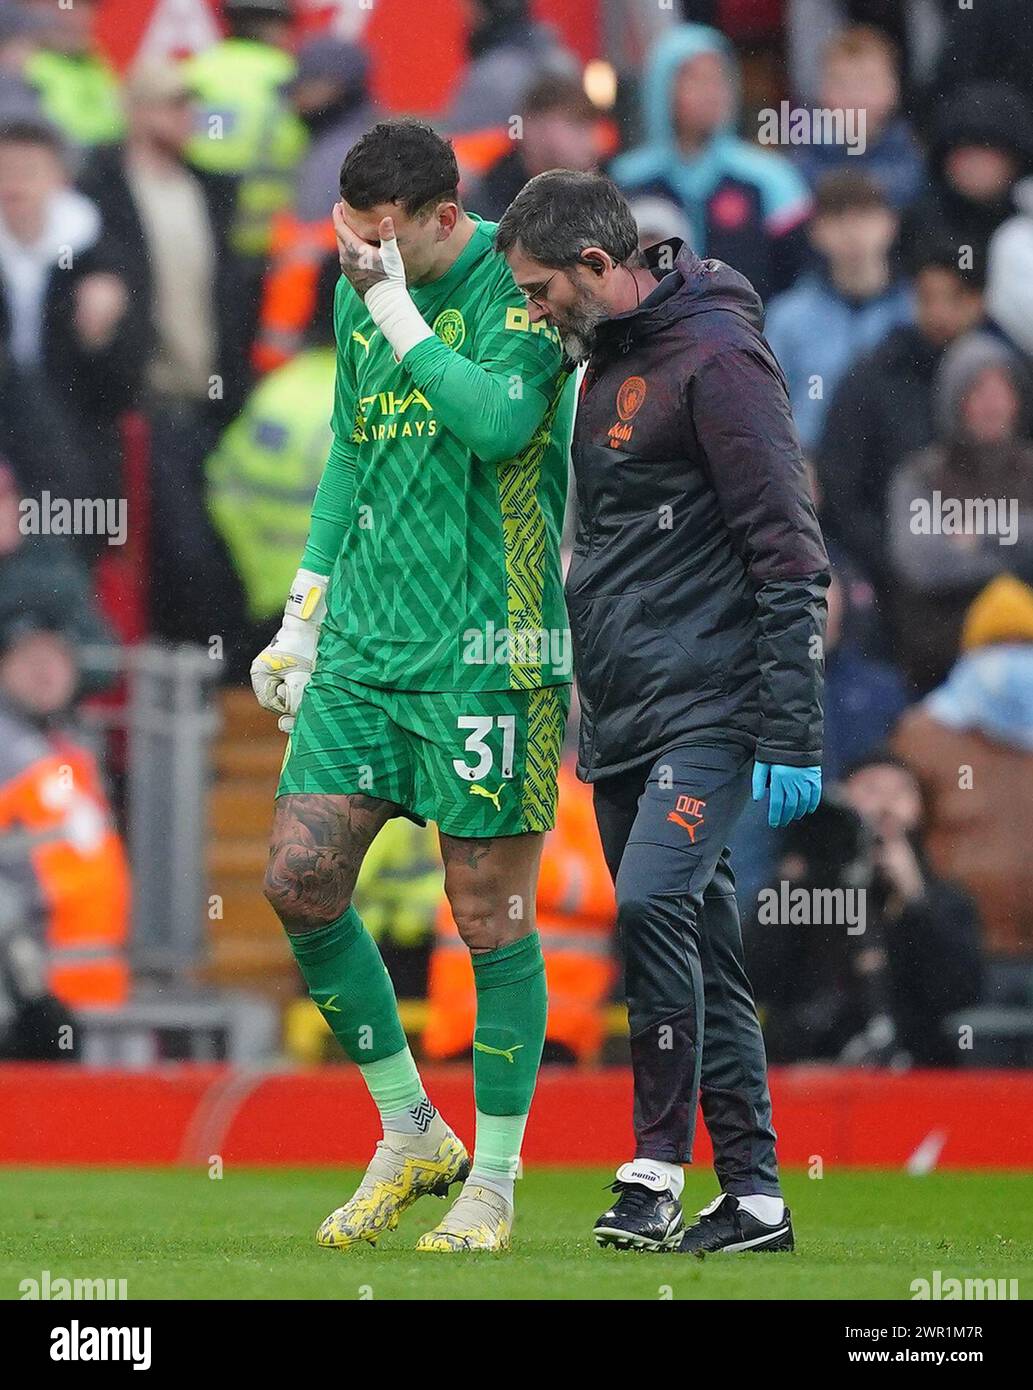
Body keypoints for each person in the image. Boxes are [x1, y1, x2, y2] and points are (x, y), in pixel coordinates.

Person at [252, 121, 574, 1253]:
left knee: (487, 912)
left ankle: (491, 1180)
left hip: (491, 650)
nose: (361, 264)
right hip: (368, 651)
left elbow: (496, 423)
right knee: (297, 880)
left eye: (383, 247)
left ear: (446, 217)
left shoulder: (528, 278)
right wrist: (304, 608)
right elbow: (352, 439)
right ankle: (408, 1127)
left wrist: (393, 306)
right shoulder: (359, 282)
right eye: (350, 244)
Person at [496, 170, 829, 1256]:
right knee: (702, 947)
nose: (535, 312)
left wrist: (790, 725)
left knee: (646, 905)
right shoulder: (604, 361)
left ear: (598, 268)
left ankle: (650, 1169)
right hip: (629, 709)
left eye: (543, 290)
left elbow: (787, 546)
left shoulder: (718, 361)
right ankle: (756, 1197)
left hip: (715, 703)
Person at [746, 760, 982, 1068]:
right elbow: (757, 976)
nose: (886, 805)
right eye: (870, 789)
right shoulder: (806, 889)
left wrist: (914, 898)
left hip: (915, 1067)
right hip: (810, 1066)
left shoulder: (944, 899)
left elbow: (959, 991)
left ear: (922, 810)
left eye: (900, 792)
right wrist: (795, 877)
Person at [815, 241, 985, 588]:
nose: (939, 312)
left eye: (955, 297)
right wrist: (900, 559)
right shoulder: (871, 378)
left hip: (996, 572)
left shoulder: (1006, 375)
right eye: (927, 297)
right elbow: (841, 492)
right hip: (891, 580)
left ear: (979, 302)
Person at [610, 24, 812, 303]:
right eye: (694, 79)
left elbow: (799, 283)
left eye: (719, 78)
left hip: (754, 339)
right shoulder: (626, 180)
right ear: (660, 88)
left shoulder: (771, 177)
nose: (711, 91)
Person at [0, 117, 144, 506]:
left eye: (28, 172)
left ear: (58, 178)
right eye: (5, 171)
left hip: (73, 457)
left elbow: (123, 385)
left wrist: (99, 338)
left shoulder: (100, 254)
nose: (14, 184)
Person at [892, 574, 1033, 959]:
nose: (1014, 662)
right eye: (997, 646)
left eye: (1025, 645)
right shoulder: (924, 734)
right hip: (965, 950)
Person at [887, 332, 1033, 691]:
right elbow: (921, 563)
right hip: (943, 656)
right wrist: (1014, 554)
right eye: (978, 392)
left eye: (1002, 391)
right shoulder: (921, 474)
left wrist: (980, 537)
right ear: (955, 400)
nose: (992, 404)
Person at [764, 170, 911, 452]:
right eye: (837, 218)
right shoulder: (787, 318)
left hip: (900, 470)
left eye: (865, 215)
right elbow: (763, 409)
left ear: (891, 224)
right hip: (809, 471)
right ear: (815, 232)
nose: (852, 231)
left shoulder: (915, 309)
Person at [900, 81, 1033, 284]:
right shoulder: (920, 223)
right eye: (963, 151)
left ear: (1015, 160)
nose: (974, 165)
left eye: (987, 151)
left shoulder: (1026, 223)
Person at [791, 26, 924, 212]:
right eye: (841, 83)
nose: (854, 96)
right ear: (822, 92)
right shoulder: (803, 151)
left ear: (893, 91)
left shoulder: (908, 150)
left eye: (867, 82)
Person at [467, 74, 600, 224]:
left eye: (591, 126)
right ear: (532, 127)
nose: (590, 141)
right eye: (575, 124)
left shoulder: (597, 191)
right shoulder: (492, 198)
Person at [22, 0, 123, 152]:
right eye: (66, 6)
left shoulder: (100, 63)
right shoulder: (23, 65)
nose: (78, 18)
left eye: (87, 8)